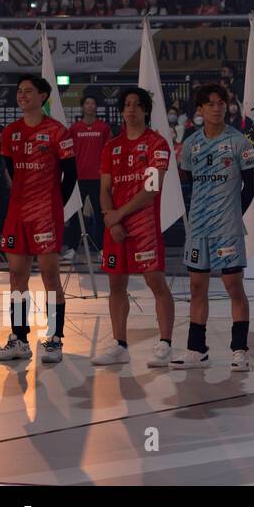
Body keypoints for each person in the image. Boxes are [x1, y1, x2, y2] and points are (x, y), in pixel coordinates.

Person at [0, 76, 77, 364]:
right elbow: (13, 169)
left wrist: (54, 206)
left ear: (43, 96)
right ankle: (20, 339)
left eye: (28, 91)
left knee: (50, 276)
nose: (22, 96)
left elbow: (70, 174)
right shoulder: (11, 132)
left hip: (45, 215)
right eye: (19, 91)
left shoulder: (57, 132)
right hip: (17, 214)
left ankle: (54, 339)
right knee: (16, 276)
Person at [171, 84, 254, 370]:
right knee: (197, 287)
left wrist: (232, 213)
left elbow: (251, 185)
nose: (217, 108)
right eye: (210, 104)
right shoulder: (190, 145)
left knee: (233, 285)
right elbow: (189, 183)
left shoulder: (239, 143)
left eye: (221, 103)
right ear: (199, 109)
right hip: (198, 228)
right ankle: (197, 349)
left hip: (227, 227)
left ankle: (240, 349)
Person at [91, 88, 176, 367]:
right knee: (116, 283)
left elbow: (152, 189)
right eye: (127, 105)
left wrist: (118, 215)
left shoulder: (157, 143)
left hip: (144, 225)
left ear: (146, 110)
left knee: (155, 281)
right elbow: (104, 188)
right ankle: (119, 344)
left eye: (138, 105)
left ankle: (165, 343)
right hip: (114, 224)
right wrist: (109, 216)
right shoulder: (111, 146)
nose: (132, 109)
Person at [66, 96, 111, 253]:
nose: (90, 106)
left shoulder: (103, 128)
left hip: (98, 178)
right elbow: (68, 152)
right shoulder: (74, 128)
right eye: (87, 103)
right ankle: (72, 248)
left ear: (96, 107)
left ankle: (102, 249)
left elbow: (109, 152)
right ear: (83, 107)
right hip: (79, 177)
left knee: (100, 215)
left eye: (93, 103)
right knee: (75, 215)